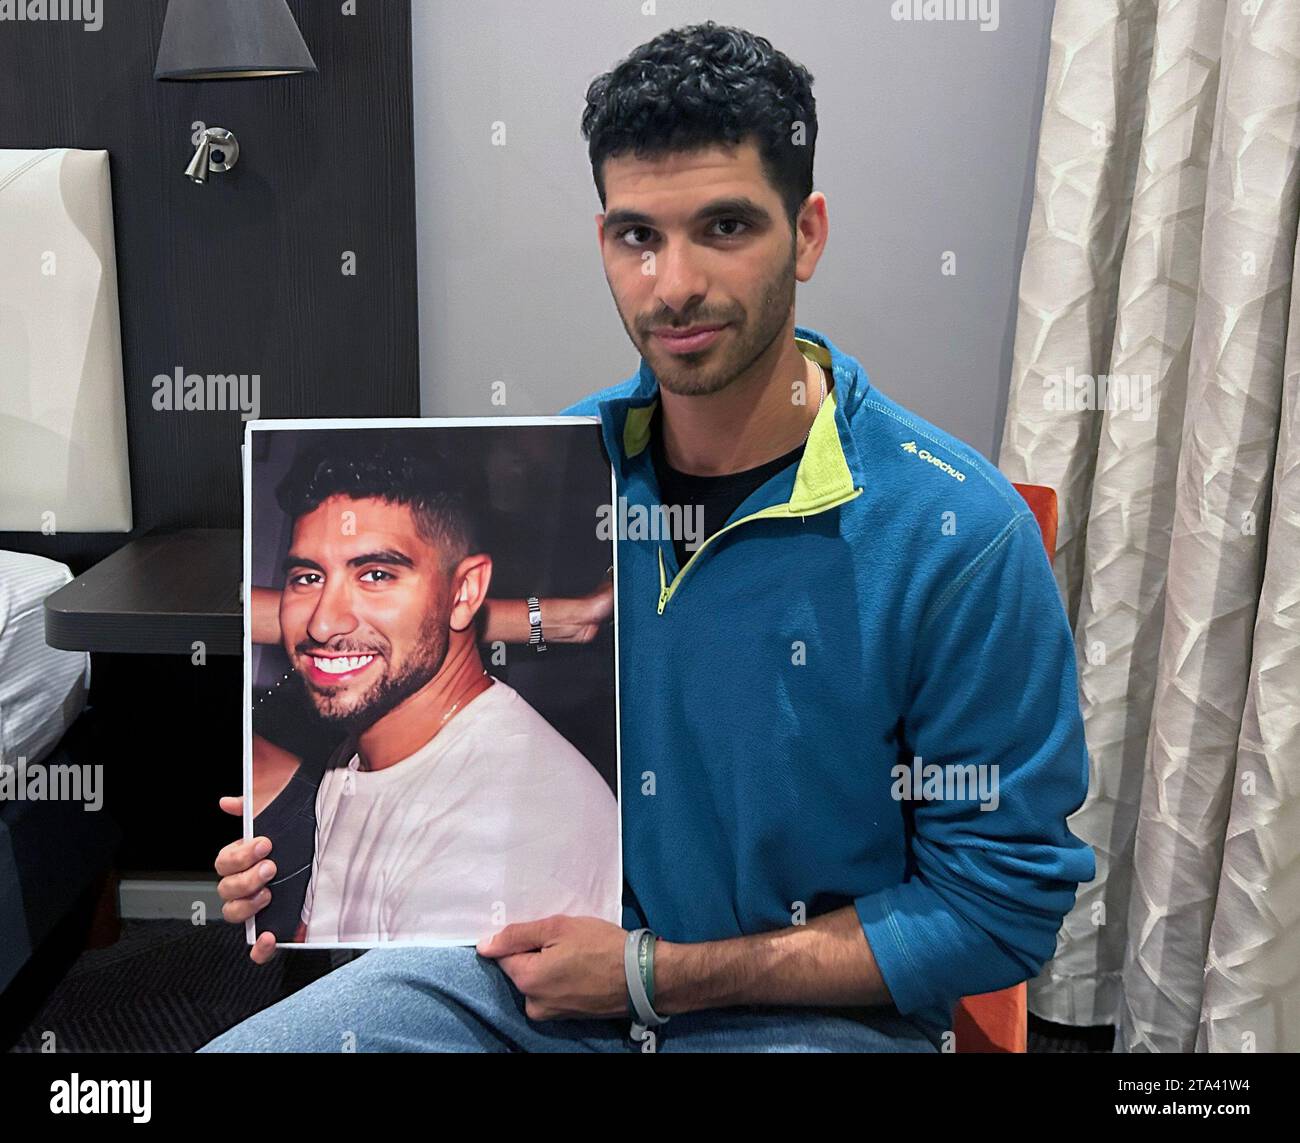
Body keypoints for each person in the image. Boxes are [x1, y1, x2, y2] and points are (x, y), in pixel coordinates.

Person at [202, 21, 1094, 1053]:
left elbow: (997, 911)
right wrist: (299, 864)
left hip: (804, 1017)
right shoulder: (557, 471)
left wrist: (650, 974)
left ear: (806, 232)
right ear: (604, 243)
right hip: (525, 982)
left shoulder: (955, 532)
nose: (672, 285)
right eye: (638, 236)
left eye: (723, 228)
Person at [241, 436, 621, 944]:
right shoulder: (359, 756)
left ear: (465, 591)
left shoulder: (497, 829)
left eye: (375, 574)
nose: (323, 622)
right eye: (308, 577)